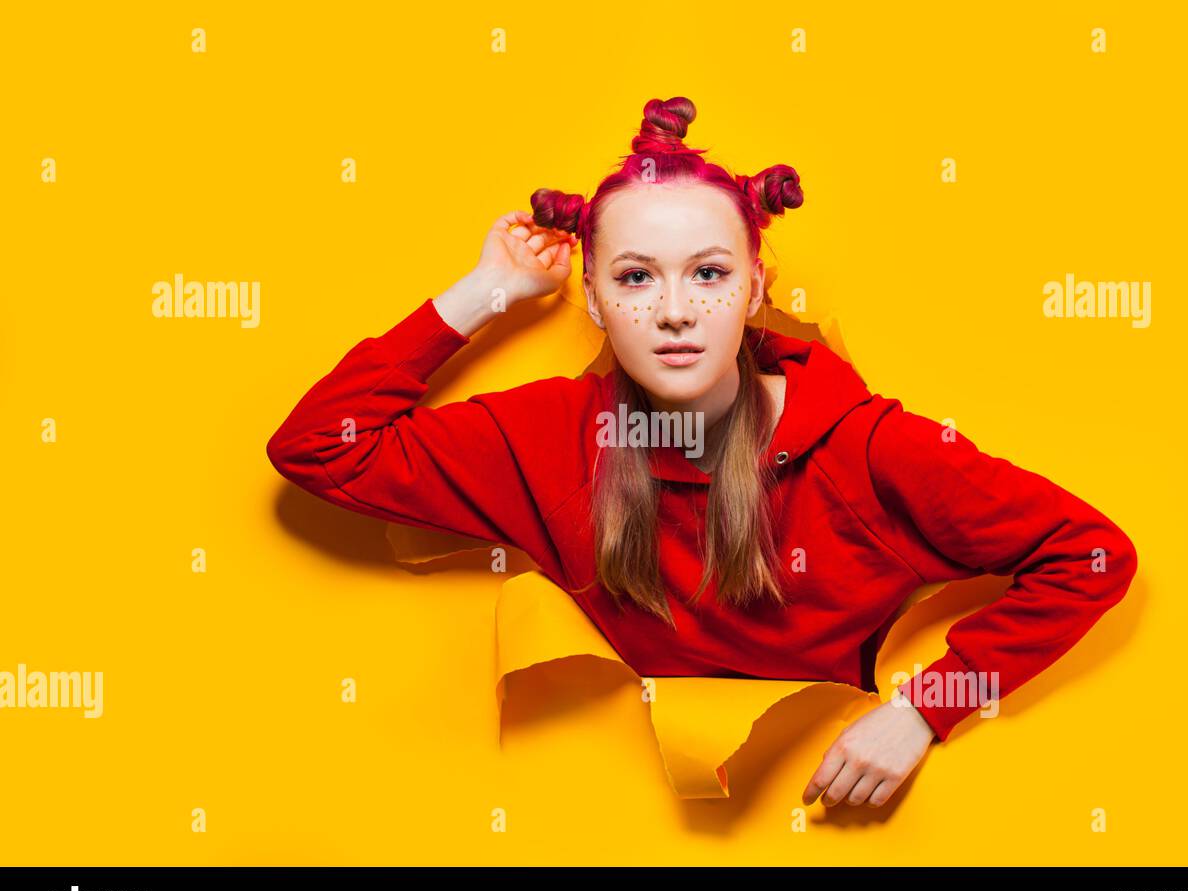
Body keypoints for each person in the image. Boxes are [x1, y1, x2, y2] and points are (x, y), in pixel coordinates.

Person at [267, 96, 1138, 809]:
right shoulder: (547, 440)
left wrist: (924, 709)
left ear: (755, 287)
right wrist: (488, 290)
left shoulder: (870, 449)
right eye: (637, 277)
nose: (675, 311)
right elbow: (318, 448)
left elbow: (1092, 555)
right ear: (596, 302)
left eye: (710, 274)